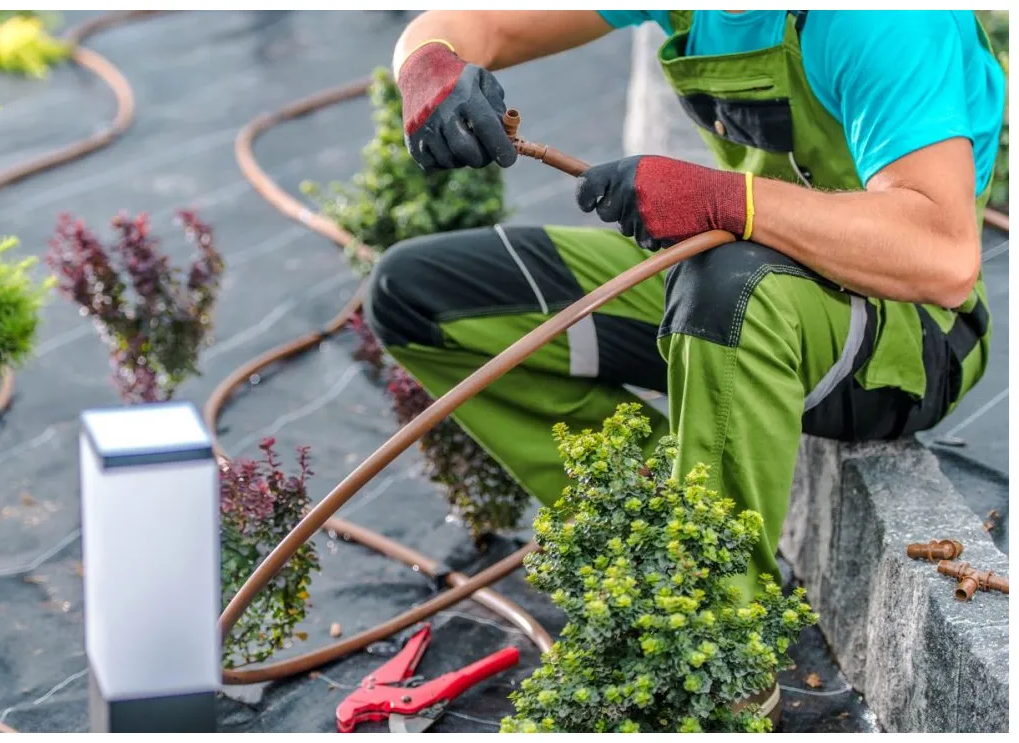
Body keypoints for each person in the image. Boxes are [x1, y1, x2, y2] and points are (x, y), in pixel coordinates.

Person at [365, 6, 1004, 665]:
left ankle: (720, 654)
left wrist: (723, 198)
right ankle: (654, 550)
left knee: (726, 285)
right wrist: (426, 64)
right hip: (750, 271)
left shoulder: (883, 22)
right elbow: (477, 23)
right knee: (420, 297)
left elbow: (943, 257)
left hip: (904, 328)